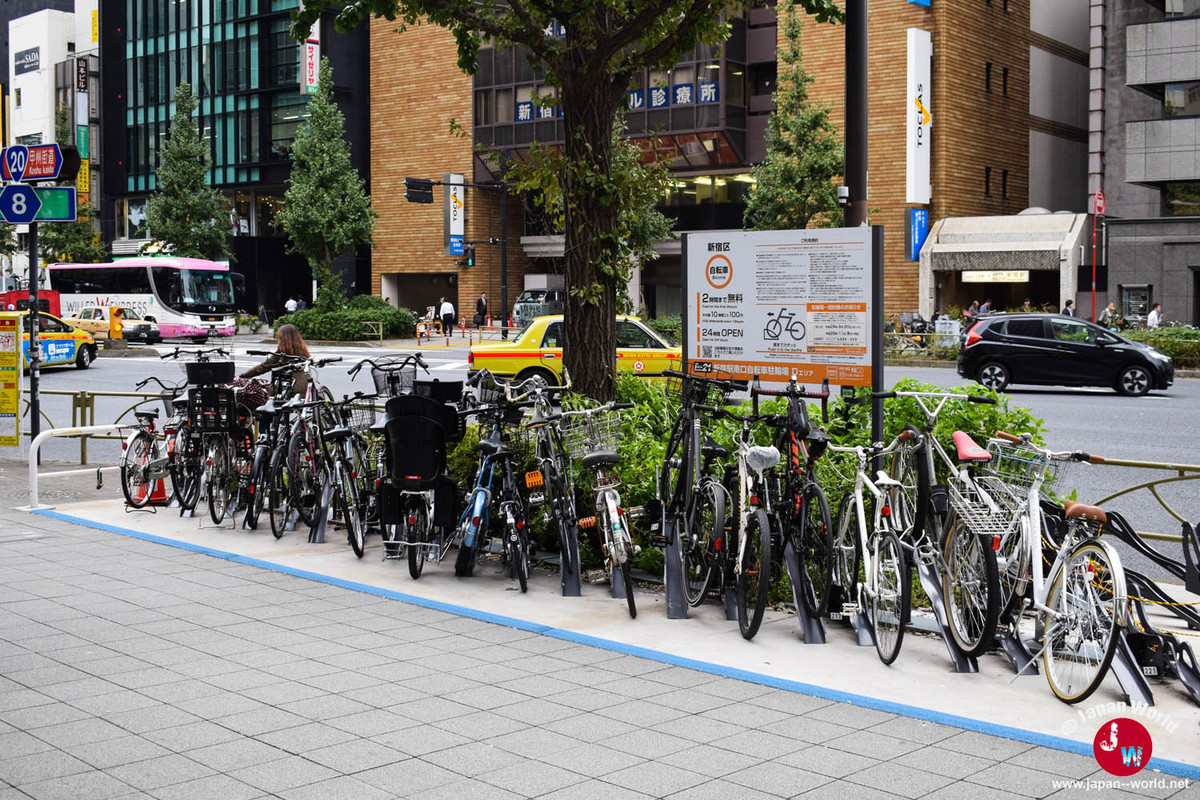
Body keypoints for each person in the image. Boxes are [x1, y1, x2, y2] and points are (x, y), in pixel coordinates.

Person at [240, 323, 310, 397]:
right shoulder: (303, 351)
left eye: (279, 337)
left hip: (288, 389)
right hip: (305, 389)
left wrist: (243, 375)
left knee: (260, 393)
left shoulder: (281, 354)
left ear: (283, 339)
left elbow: (263, 367)